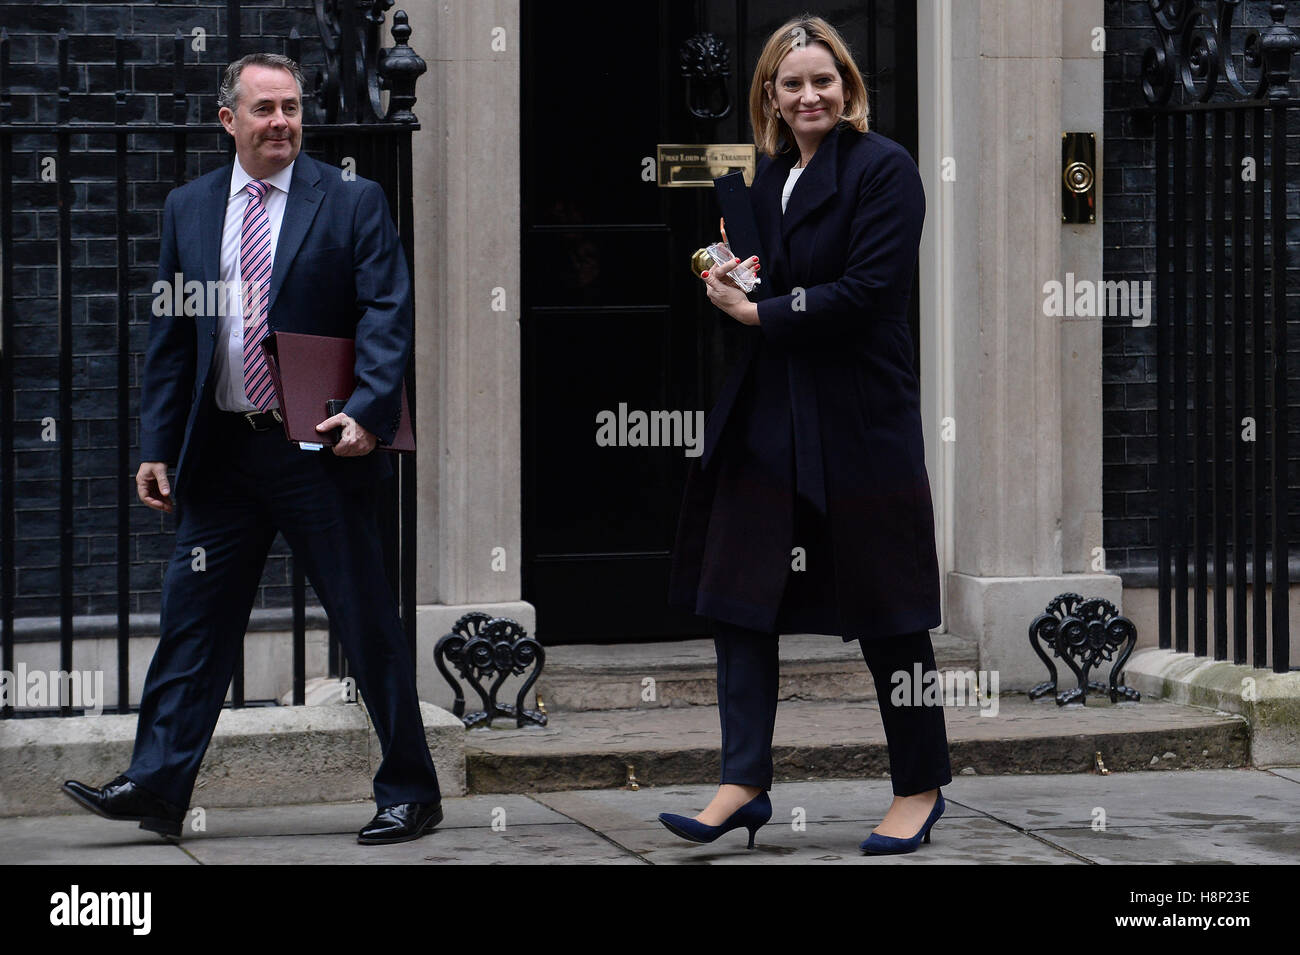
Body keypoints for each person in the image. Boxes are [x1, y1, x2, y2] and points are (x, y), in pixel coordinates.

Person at [61, 53, 442, 846]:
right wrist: (156, 446)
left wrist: (368, 410)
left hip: (319, 449)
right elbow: (171, 339)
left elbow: (386, 313)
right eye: (264, 108)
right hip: (224, 456)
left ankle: (411, 788)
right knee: (192, 621)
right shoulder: (189, 209)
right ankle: (160, 785)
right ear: (228, 120)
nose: (282, 122)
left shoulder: (350, 200)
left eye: (292, 107)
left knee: (365, 622)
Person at [661, 16, 952, 855]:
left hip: (860, 419)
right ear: (770, 97)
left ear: (849, 87)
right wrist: (730, 277)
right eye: (791, 84)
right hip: (770, 416)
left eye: (823, 80)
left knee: (890, 611)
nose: (809, 95)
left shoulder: (884, 168)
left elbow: (870, 291)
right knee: (738, 599)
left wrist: (763, 308)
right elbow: (767, 280)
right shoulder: (769, 176)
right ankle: (742, 781)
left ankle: (919, 786)